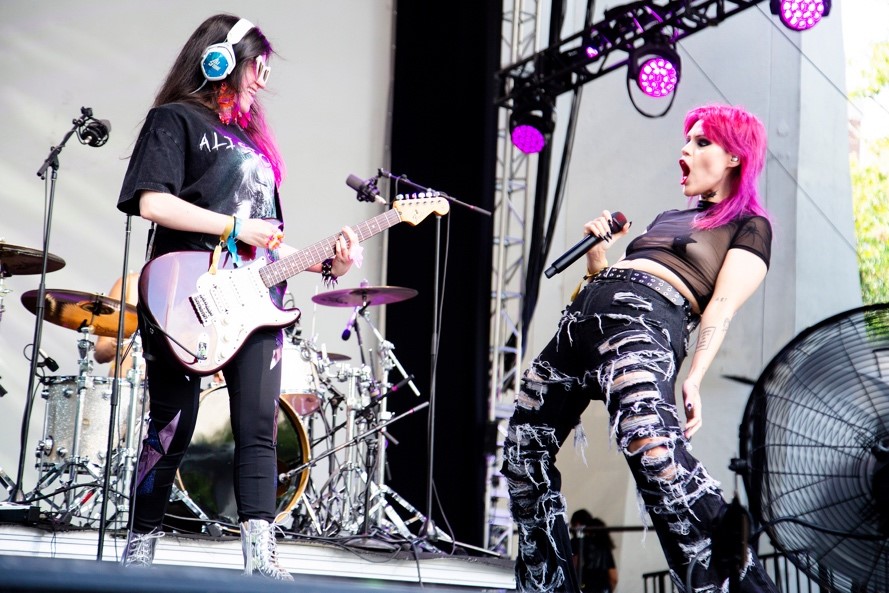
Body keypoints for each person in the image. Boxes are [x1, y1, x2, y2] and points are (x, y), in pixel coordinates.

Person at [115, 14, 359, 580]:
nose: (264, 79)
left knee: (258, 427)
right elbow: (153, 203)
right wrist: (231, 228)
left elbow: (266, 240)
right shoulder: (174, 119)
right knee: (173, 421)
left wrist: (329, 260)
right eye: (258, 65)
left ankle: (261, 558)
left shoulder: (256, 144)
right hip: (184, 289)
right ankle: (139, 550)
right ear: (219, 60)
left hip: (254, 294)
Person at [502, 104, 778, 592]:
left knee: (650, 447)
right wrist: (597, 255)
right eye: (687, 140)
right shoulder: (669, 218)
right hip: (584, 322)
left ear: (735, 156)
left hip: (644, 323)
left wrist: (692, 377)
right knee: (523, 448)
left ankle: (726, 538)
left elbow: (721, 308)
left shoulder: (749, 226)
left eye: (700, 142)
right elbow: (605, 279)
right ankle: (547, 584)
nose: (685, 150)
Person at [569, 510, 617, 593]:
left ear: (577, 524)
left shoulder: (575, 543)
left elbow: (571, 570)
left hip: (583, 589)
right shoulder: (603, 544)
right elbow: (614, 578)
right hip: (604, 589)